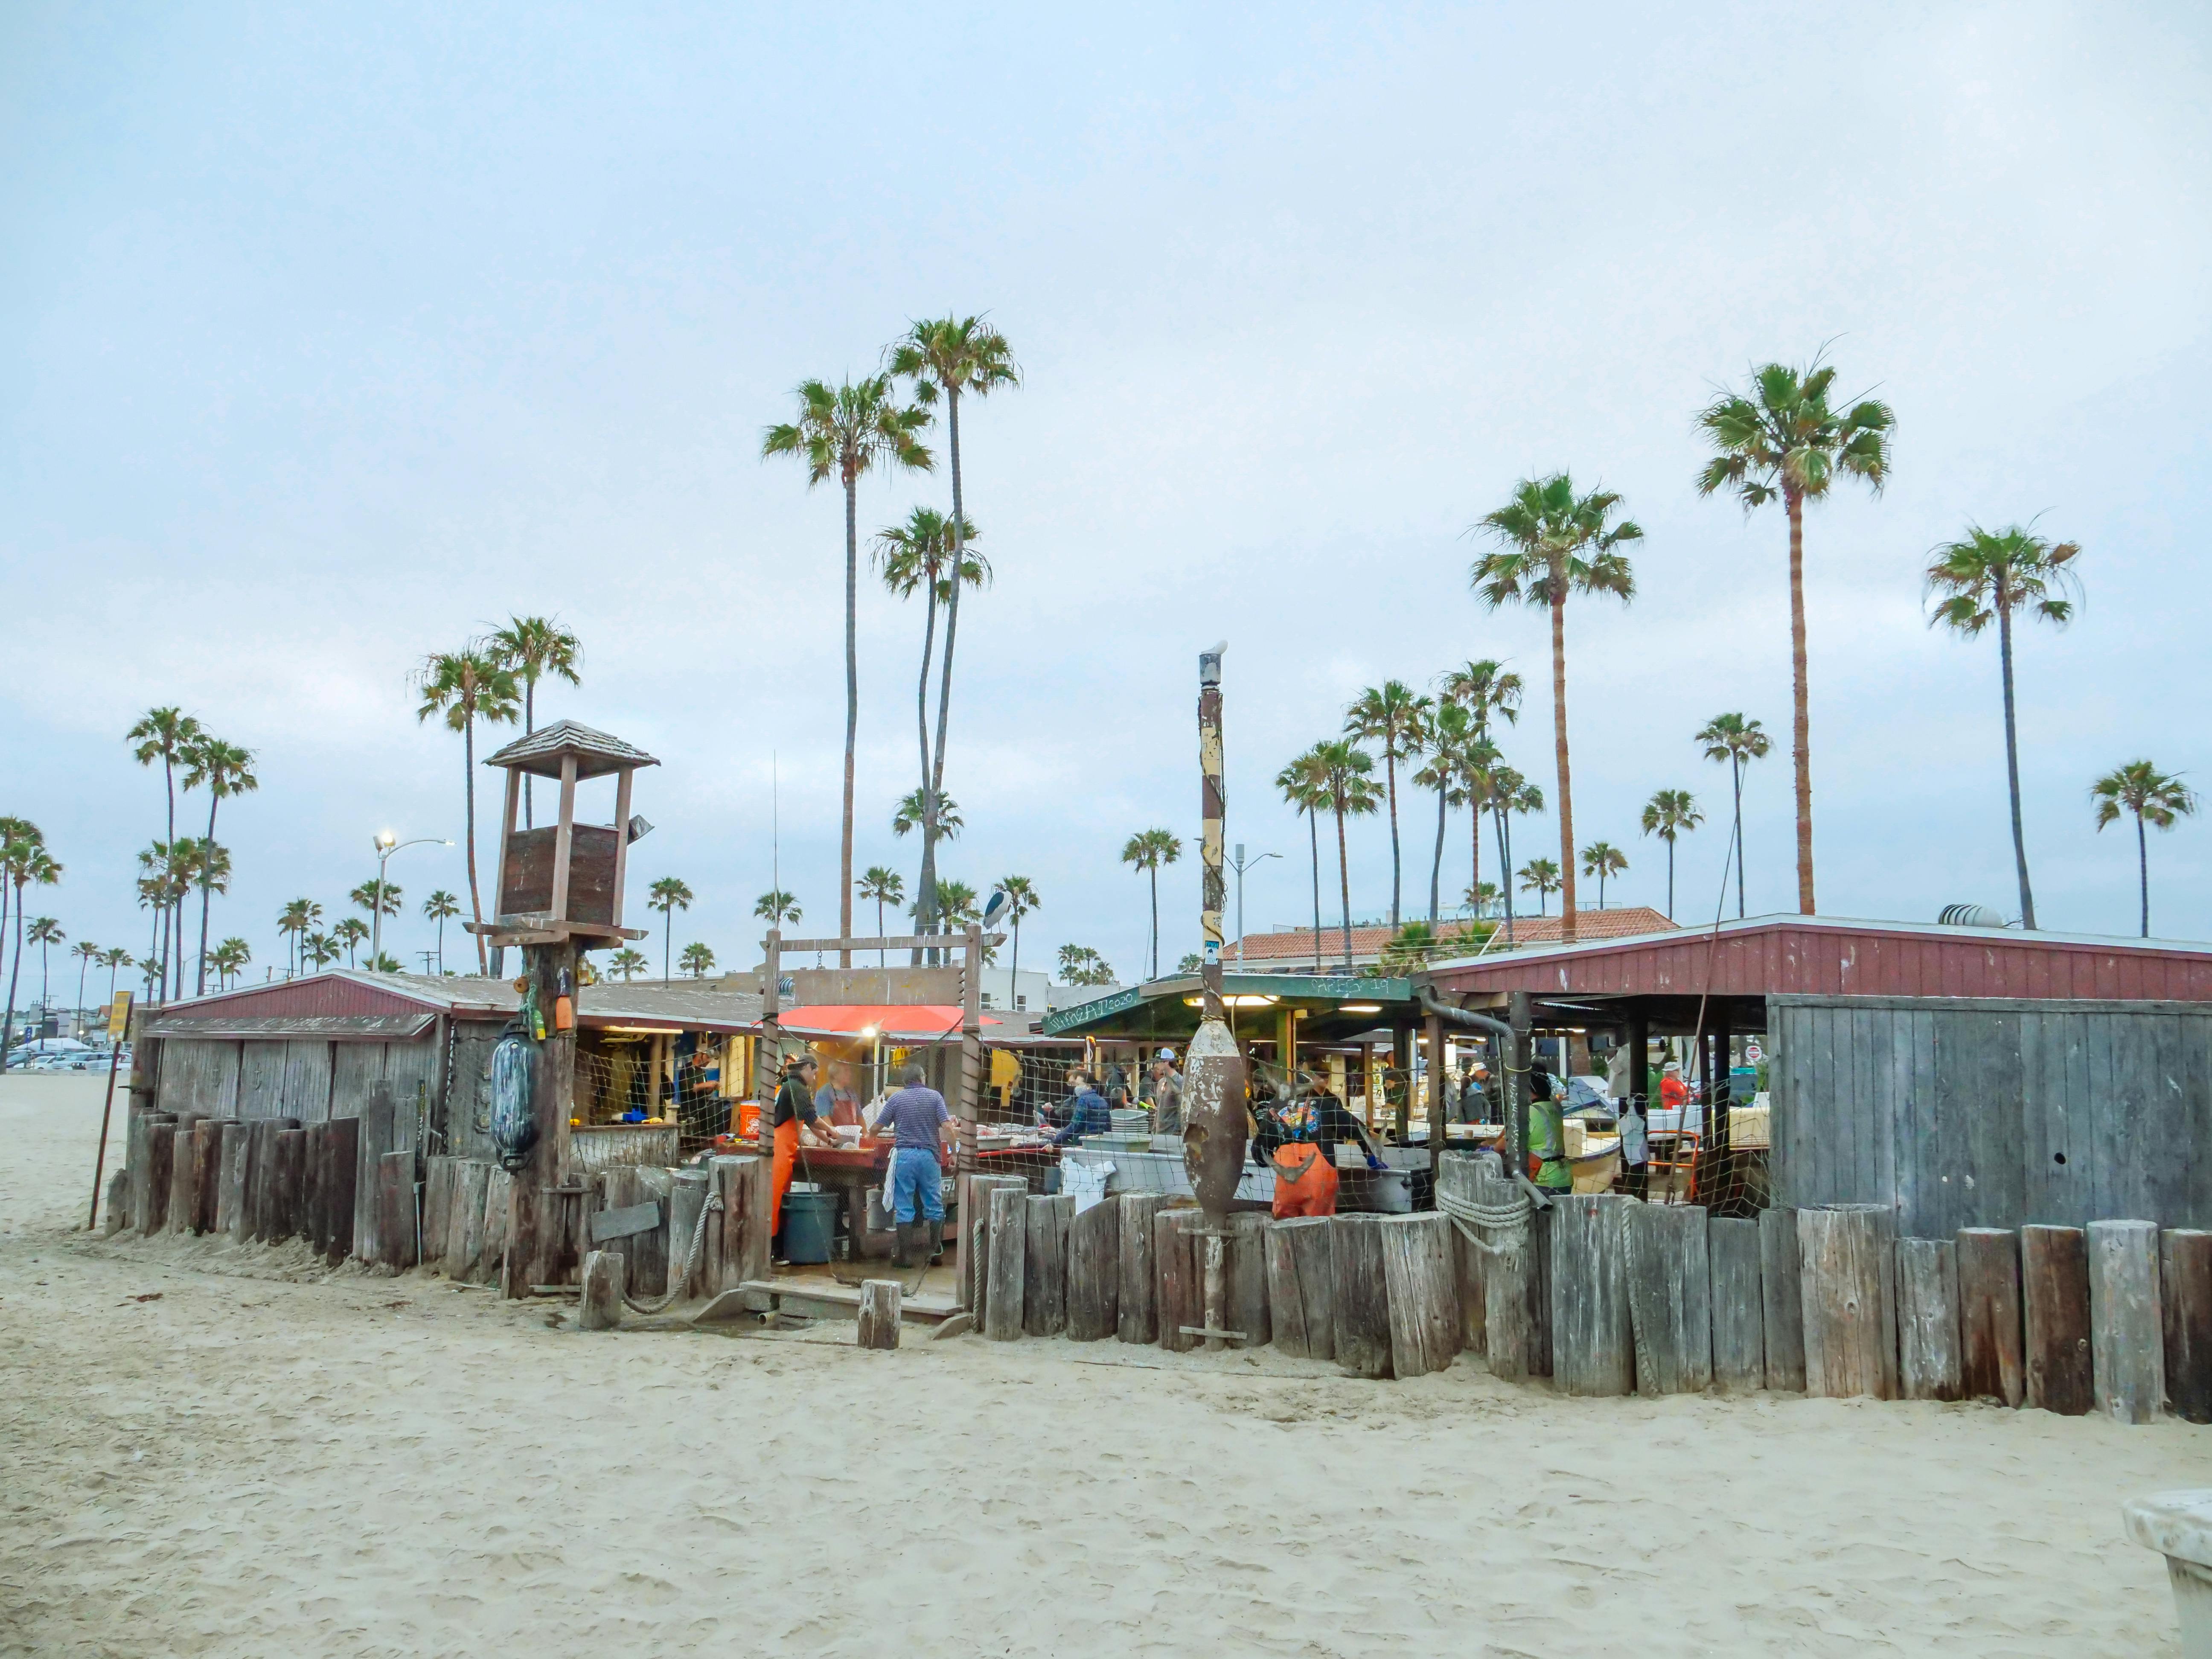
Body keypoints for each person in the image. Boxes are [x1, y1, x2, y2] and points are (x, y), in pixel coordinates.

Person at [1257, 1070, 1385, 1219]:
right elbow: (1356, 1128)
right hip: (1319, 1176)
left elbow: (1259, 1149)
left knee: (1283, 1226)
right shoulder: (1324, 1104)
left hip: (1287, 1178)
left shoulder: (1275, 1110)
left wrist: (1266, 1160)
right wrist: (1370, 1155)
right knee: (1319, 1225)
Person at [873, 1062, 953, 1266]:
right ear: (922, 1078)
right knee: (934, 1205)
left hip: (904, 1157)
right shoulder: (935, 1097)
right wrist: (955, 1153)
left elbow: (877, 1127)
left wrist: (867, 1137)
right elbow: (947, 1127)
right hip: (929, 1156)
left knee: (904, 1207)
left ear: (905, 1081)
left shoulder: (896, 1099)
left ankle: (905, 1257)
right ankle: (935, 1253)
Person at [769, 1052, 838, 1252]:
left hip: (785, 1150)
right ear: (807, 1068)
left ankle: (778, 1248)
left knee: (781, 1197)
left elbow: (808, 1121)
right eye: (815, 1073)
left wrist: (828, 1140)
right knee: (774, 1199)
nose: (814, 1078)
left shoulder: (790, 1085)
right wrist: (833, 1131)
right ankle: (771, 1249)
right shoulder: (796, 1088)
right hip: (780, 1149)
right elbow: (813, 1117)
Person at [1528, 1062, 1572, 1194]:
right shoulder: (1555, 1105)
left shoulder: (1531, 1111)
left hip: (1544, 1178)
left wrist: (1490, 1148)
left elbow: (1505, 1144)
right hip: (1564, 1176)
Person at [1051, 1070, 1112, 1146]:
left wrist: (1055, 1140)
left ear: (1088, 1086)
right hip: (1100, 1143)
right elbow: (1108, 1125)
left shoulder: (1084, 1100)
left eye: (1078, 1085)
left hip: (1084, 1143)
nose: (1076, 1088)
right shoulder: (1102, 1100)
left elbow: (1076, 1125)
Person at [813, 1060, 862, 1129]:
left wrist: (865, 1133)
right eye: (846, 1071)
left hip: (852, 1133)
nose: (850, 1074)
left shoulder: (851, 1092)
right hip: (832, 1134)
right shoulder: (824, 1092)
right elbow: (824, 1118)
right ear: (835, 1075)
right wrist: (835, 1134)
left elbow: (860, 1116)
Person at [1148, 1049, 1183, 1134]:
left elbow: (1182, 1111)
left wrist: (1175, 1133)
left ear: (1167, 1062)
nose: (1156, 1066)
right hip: (1159, 1134)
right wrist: (1154, 1130)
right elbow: (1159, 1108)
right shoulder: (1161, 1082)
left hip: (1171, 1135)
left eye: (1158, 1062)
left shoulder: (1180, 1082)